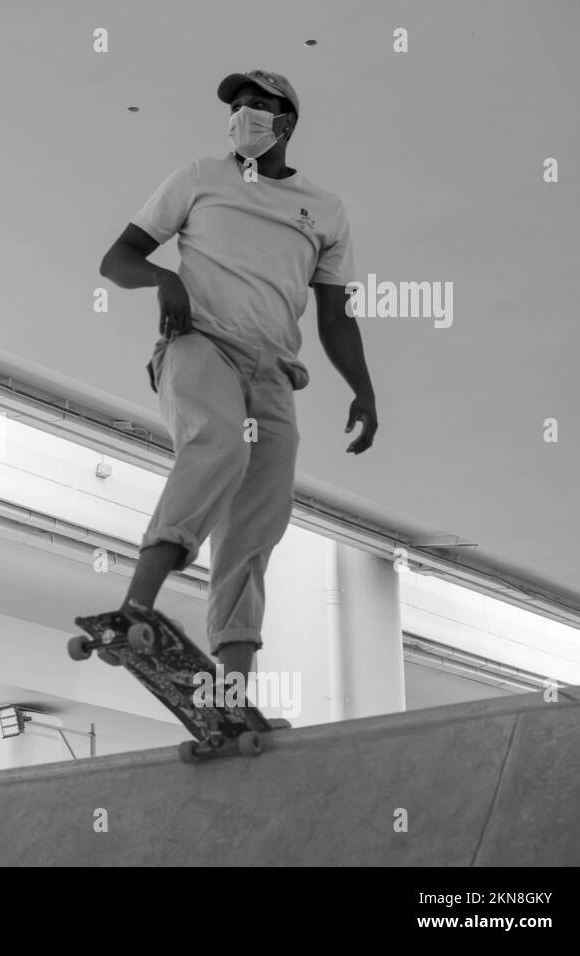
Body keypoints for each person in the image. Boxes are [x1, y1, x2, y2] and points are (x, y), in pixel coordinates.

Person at [99, 69, 377, 691]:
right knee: (218, 445)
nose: (243, 115)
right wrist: (163, 279)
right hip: (201, 345)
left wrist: (365, 389)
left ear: (287, 122)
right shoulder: (200, 177)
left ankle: (231, 692)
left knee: (256, 525)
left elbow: (336, 314)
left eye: (258, 106)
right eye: (237, 106)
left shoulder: (326, 210)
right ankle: (135, 607)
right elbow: (117, 259)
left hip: (274, 373)